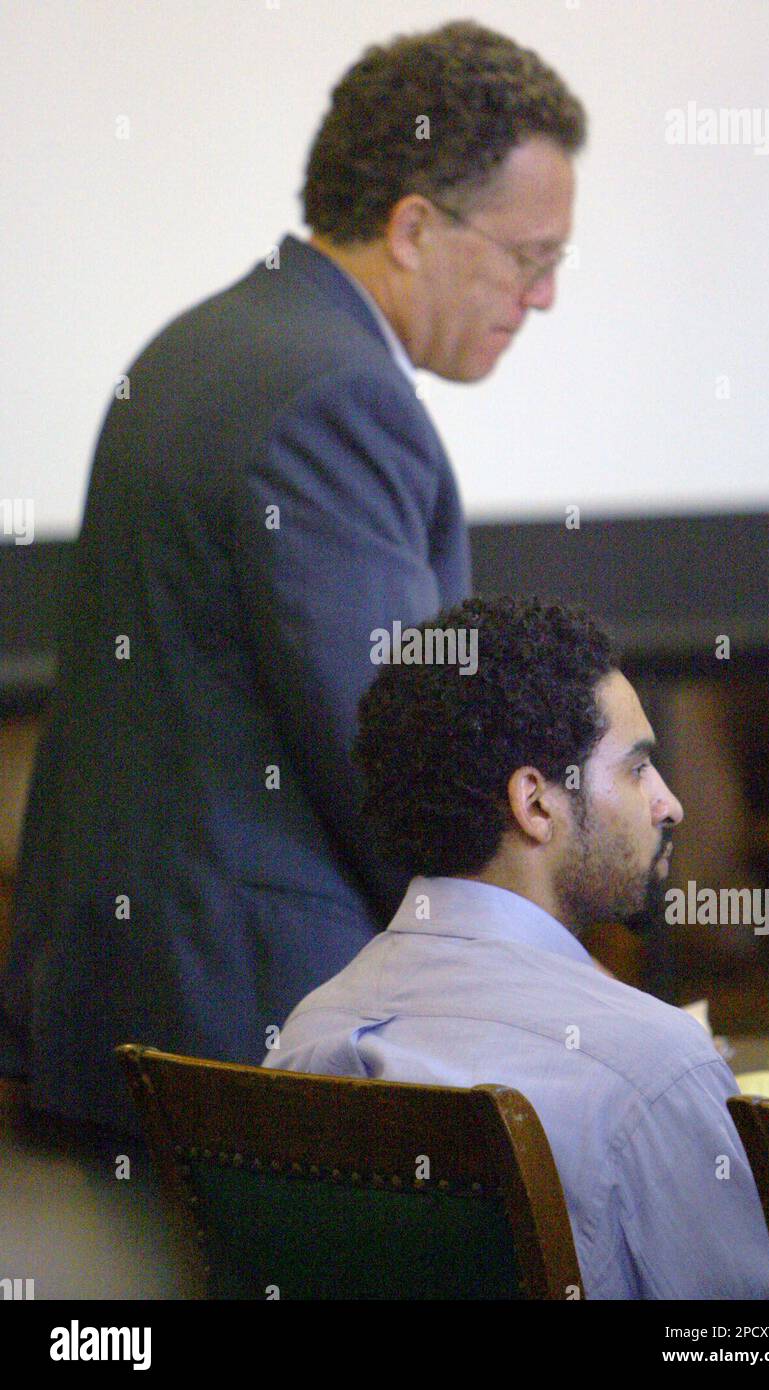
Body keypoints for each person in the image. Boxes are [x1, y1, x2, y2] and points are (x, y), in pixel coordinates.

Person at [0, 23, 587, 1136]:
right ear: (413, 228)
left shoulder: (201, 345)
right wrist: (564, 1006)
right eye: (529, 257)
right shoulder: (337, 397)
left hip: (130, 1006)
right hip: (257, 1038)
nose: (545, 294)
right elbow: (398, 764)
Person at [264, 597, 769, 1301]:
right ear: (536, 804)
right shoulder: (655, 1069)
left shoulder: (303, 1040)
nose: (668, 803)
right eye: (636, 768)